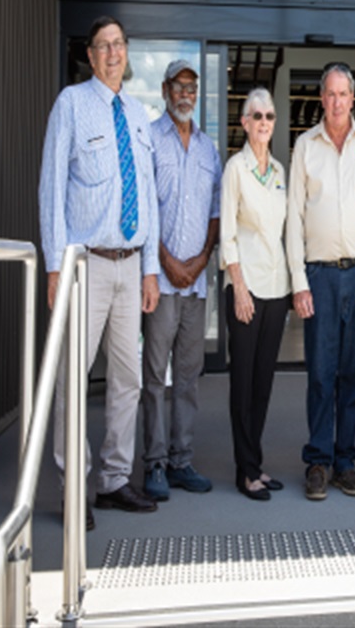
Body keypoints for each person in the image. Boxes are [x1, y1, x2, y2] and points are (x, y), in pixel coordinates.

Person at [39, 16, 160, 527]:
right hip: (85, 264)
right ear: (90, 56)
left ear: (127, 53)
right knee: (73, 377)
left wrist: (150, 267)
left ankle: (113, 479)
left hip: (130, 267)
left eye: (119, 44)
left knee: (128, 379)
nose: (112, 53)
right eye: (103, 46)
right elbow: (51, 187)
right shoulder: (71, 104)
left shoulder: (138, 114)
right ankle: (73, 488)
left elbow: (148, 196)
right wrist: (53, 264)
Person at [286, 62, 355, 500]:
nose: (335, 101)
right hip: (320, 276)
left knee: (352, 373)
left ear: (353, 98)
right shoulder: (304, 147)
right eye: (329, 94)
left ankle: (346, 461)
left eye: (342, 93)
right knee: (320, 373)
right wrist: (298, 281)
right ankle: (318, 459)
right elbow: (293, 215)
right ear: (322, 98)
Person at [141, 60, 221, 502]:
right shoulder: (150, 140)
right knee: (155, 376)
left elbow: (215, 212)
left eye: (192, 86)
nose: (186, 93)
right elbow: (145, 211)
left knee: (188, 377)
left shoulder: (209, 149)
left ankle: (181, 460)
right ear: (166, 89)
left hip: (195, 281)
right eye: (179, 85)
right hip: (161, 280)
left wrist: (200, 260)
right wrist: (166, 261)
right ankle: (152, 464)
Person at [220, 88, 291, 501]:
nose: (263, 122)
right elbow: (228, 233)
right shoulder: (236, 170)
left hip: (276, 288)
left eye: (269, 116)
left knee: (263, 381)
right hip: (246, 288)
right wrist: (239, 287)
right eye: (256, 116)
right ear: (244, 123)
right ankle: (245, 470)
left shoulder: (279, 171)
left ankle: (256, 464)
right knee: (242, 381)